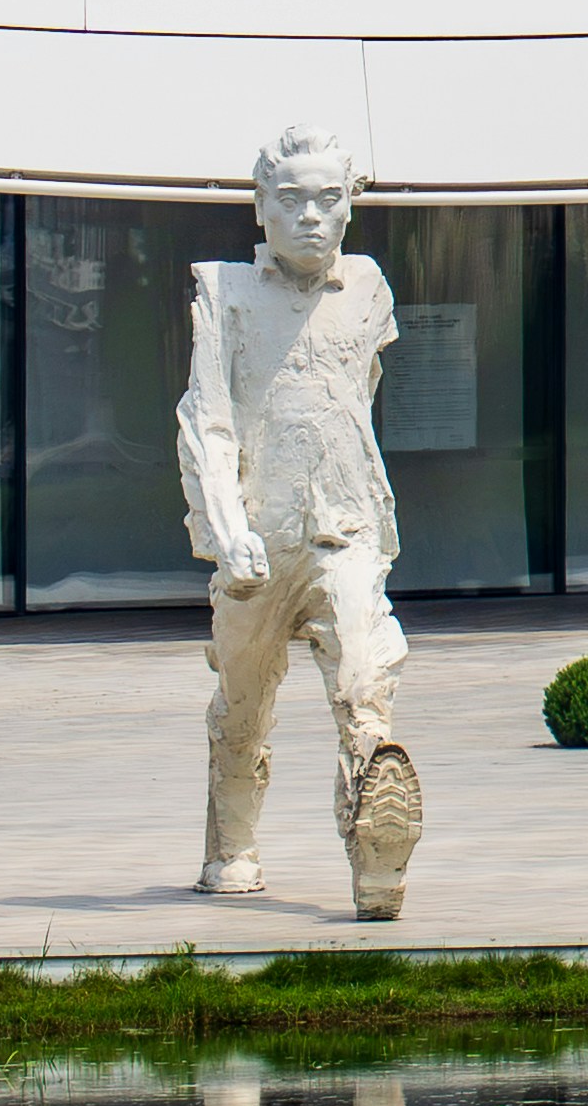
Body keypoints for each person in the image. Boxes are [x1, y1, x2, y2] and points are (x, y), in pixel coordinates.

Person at [181, 126, 429, 919]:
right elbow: (206, 421)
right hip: (259, 532)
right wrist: (226, 527)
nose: (312, 216)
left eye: (330, 199)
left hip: (346, 530)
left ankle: (377, 858)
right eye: (291, 200)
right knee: (245, 701)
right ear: (259, 207)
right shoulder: (224, 294)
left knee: (364, 683)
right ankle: (232, 847)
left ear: (351, 208)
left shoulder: (367, 287)